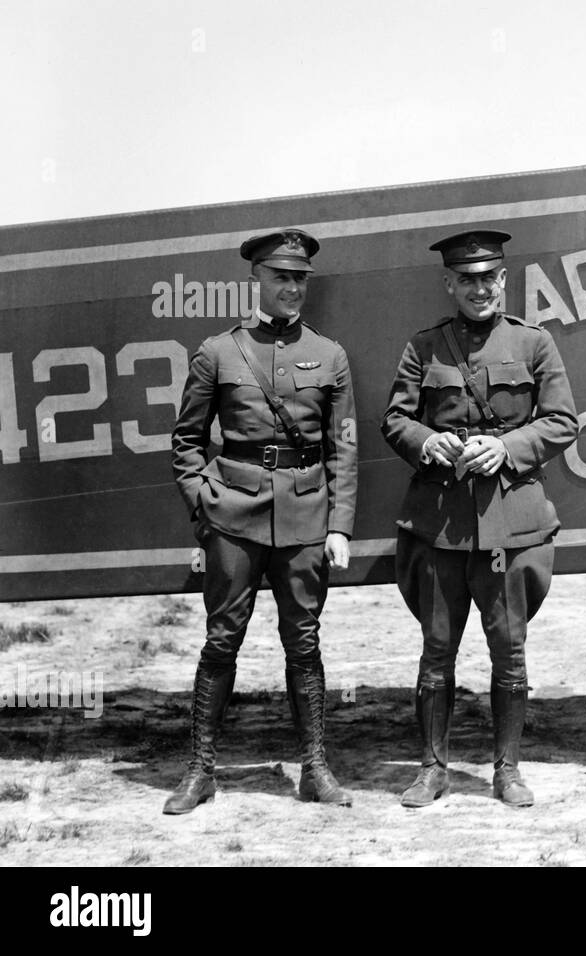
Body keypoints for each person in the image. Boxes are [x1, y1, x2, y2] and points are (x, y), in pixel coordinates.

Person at [381, 229, 577, 808]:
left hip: (509, 522)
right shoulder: (424, 347)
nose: (480, 289)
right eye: (467, 279)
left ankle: (507, 770)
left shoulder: (533, 343)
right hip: (439, 521)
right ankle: (431, 769)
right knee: (436, 650)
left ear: (504, 280)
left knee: (508, 649)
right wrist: (426, 442)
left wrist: (509, 448)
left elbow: (563, 420)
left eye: (489, 277)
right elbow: (394, 420)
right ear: (449, 284)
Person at [165, 228, 358, 814]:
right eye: (281, 277)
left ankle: (315, 768)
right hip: (235, 514)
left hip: (304, 515)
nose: (292, 288)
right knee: (222, 639)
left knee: (303, 642)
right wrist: (206, 504)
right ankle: (200, 770)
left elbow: (343, 448)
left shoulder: (330, 356)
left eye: (300, 278)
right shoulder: (218, 352)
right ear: (257, 279)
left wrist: (340, 525)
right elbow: (186, 441)